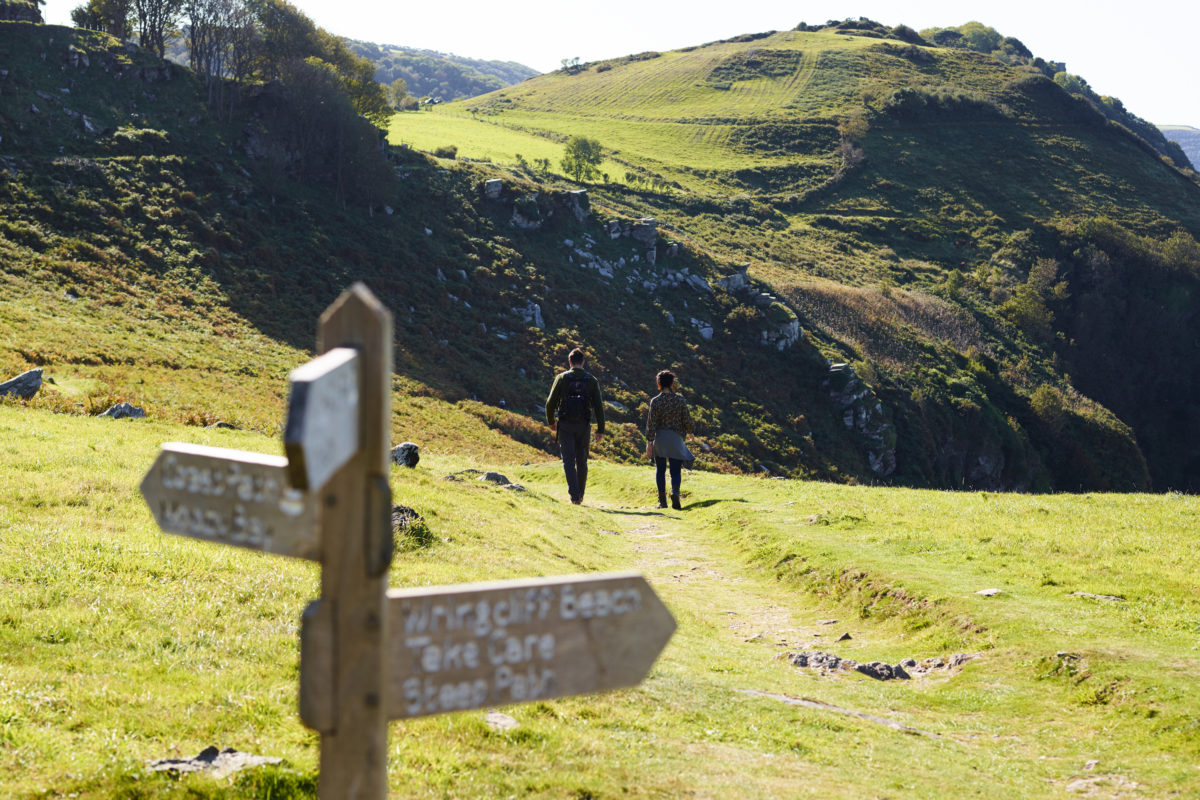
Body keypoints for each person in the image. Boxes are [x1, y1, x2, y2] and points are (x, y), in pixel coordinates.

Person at [545, 348, 605, 505]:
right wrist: (600, 429)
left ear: (570, 362)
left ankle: (574, 496)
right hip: (583, 425)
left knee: (568, 461)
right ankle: (581, 494)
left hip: (565, 425)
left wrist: (551, 421)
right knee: (582, 460)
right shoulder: (592, 380)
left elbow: (550, 403)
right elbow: (599, 407)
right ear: (583, 362)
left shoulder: (562, 378)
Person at [644, 369, 694, 509]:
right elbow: (687, 419)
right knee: (675, 470)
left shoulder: (655, 401)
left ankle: (662, 501)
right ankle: (675, 493)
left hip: (660, 440)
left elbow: (651, 424)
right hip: (676, 439)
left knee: (660, 470)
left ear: (659, 384)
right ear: (672, 384)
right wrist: (690, 432)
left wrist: (649, 443)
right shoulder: (680, 400)